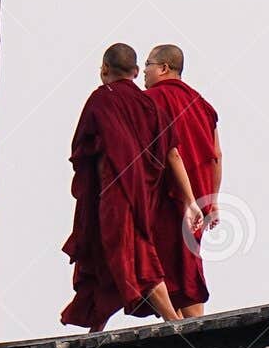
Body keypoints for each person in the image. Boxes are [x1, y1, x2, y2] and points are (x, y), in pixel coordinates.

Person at [60, 43, 183, 332]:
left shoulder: (101, 100)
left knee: (136, 258)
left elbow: (80, 149)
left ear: (104, 70)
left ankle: (175, 324)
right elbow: (166, 149)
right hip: (142, 193)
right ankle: (96, 330)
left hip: (113, 194)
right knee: (108, 257)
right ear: (136, 71)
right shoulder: (150, 105)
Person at [143, 44, 222, 318]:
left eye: (148, 65)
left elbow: (166, 152)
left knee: (162, 267)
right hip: (198, 202)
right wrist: (213, 202)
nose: (144, 71)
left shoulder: (151, 100)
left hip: (167, 198)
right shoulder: (203, 105)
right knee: (187, 269)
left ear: (164, 68)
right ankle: (189, 332)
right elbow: (216, 156)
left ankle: (181, 332)